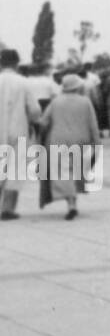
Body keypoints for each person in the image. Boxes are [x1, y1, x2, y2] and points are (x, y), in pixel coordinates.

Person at [38, 73, 99, 220]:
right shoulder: (85, 102)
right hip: (80, 140)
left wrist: (40, 137)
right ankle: (73, 203)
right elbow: (93, 123)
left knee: (62, 172)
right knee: (76, 172)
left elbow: (43, 122)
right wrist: (96, 142)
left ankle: (71, 203)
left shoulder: (56, 102)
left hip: (58, 140)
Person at [0, 49, 42, 220]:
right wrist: (33, 120)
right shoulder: (23, 82)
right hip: (18, 129)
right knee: (15, 168)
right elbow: (35, 110)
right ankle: (8, 208)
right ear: (16, 64)